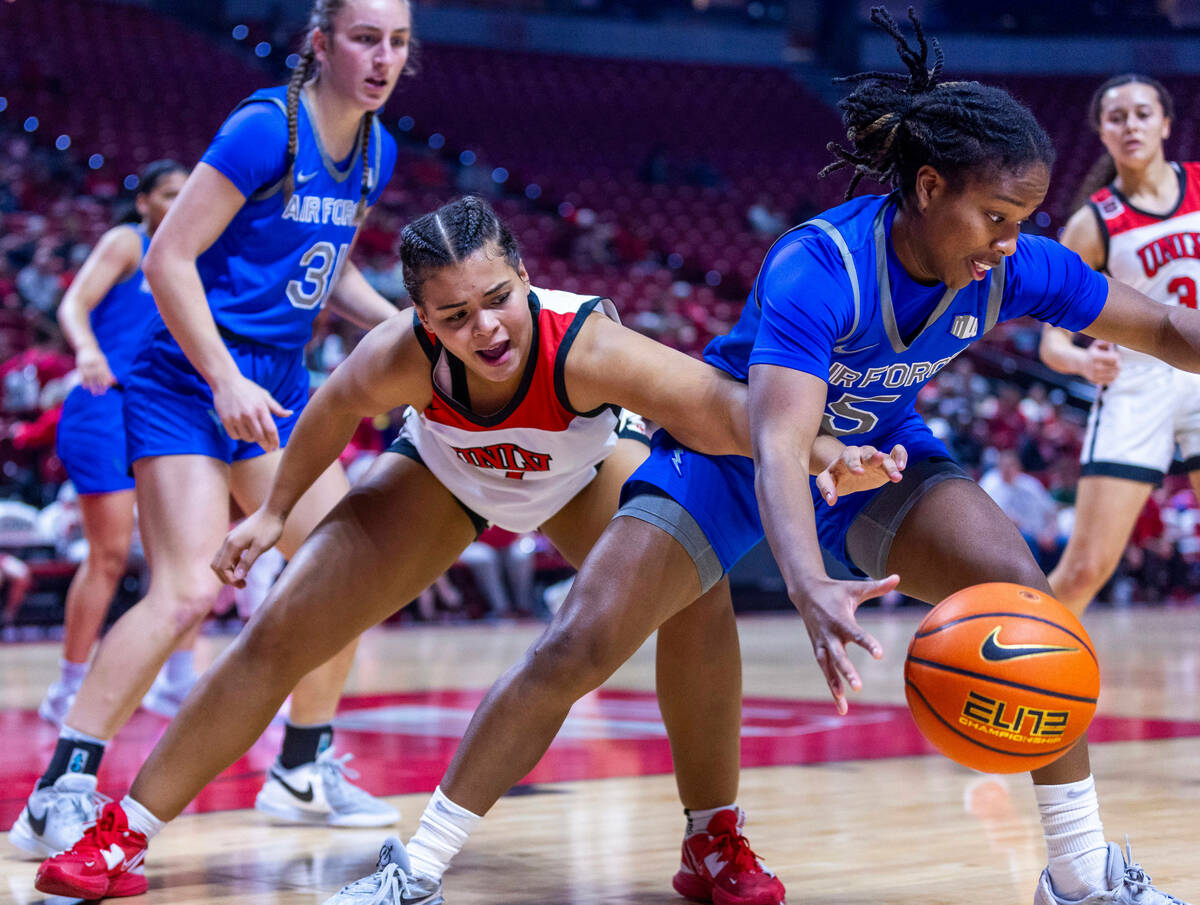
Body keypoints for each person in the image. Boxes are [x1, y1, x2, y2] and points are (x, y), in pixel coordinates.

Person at [311, 9, 1193, 904]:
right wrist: (809, 585)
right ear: (928, 187)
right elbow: (774, 444)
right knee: (578, 641)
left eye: (1023, 219)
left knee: (1030, 600)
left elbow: (1157, 322)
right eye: (996, 216)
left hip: (874, 459)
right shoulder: (821, 265)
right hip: (726, 459)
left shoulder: (1008, 265)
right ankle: (414, 866)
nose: (1010, 240)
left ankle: (1081, 875)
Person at [32, 195, 904, 903]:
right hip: (445, 473)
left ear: (525, 276)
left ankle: (712, 836)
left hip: (581, 473)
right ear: (422, 318)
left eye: (498, 298)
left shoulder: (588, 343)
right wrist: (272, 516)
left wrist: (826, 454)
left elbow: (722, 408)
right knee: (283, 625)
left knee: (700, 591)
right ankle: (128, 828)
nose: (486, 327)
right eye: (455, 315)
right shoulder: (395, 356)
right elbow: (331, 412)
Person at [9, 0, 411, 861]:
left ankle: (302, 768)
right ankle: (60, 792)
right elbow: (167, 259)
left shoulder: (376, 149)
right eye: (365, 38)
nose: (383, 58)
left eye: (399, 42)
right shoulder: (267, 129)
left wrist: (413, 335)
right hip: (188, 377)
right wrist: (223, 375)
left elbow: (328, 275)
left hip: (275, 383)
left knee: (348, 564)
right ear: (321, 43)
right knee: (188, 588)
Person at [34, 160, 192, 730]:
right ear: (145, 201)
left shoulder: (196, 252)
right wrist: (87, 349)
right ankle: (67, 687)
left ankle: (177, 683)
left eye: (188, 194)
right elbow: (73, 304)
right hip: (105, 402)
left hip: (165, 411)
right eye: (169, 194)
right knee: (108, 555)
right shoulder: (128, 241)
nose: (181, 203)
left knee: (186, 555)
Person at [1039, 74, 1200, 617]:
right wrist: (1083, 360)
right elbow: (1050, 343)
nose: (1130, 125)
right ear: (1102, 134)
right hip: (1136, 384)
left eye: (1142, 113)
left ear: (1165, 124)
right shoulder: (1092, 223)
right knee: (1085, 569)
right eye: (1117, 117)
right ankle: (1012, 676)